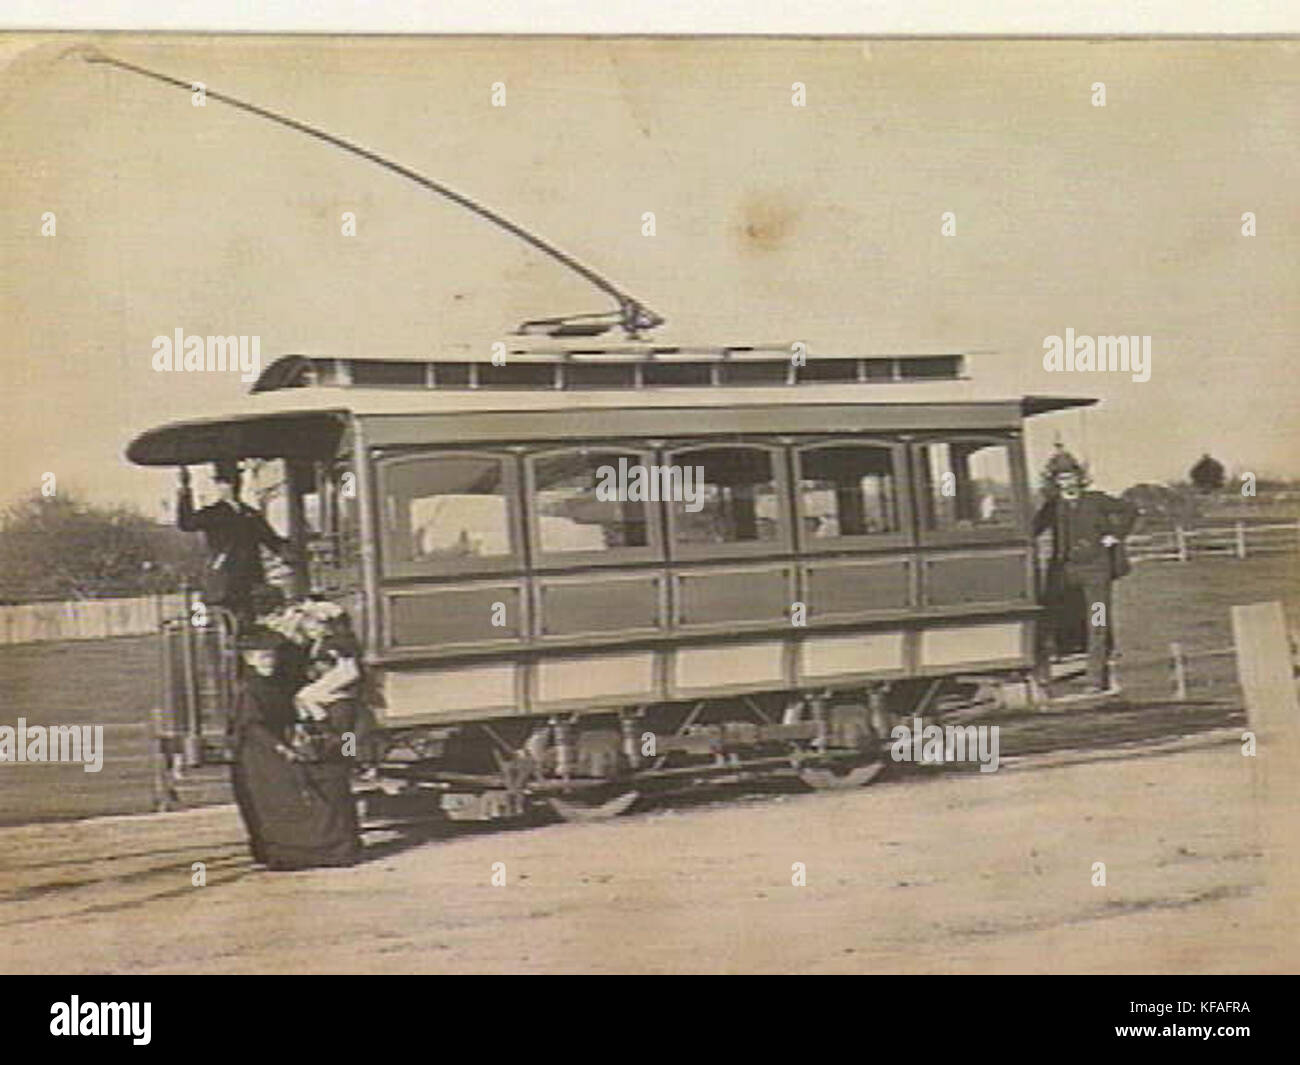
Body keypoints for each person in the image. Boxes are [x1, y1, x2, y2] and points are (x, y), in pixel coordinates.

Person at [229, 617, 360, 871]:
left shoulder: (280, 686)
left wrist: (343, 754)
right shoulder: (254, 689)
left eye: (272, 657)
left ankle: (332, 848)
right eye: (264, 657)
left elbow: (347, 735)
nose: (270, 662)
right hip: (267, 754)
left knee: (324, 790)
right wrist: (287, 747)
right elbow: (255, 725)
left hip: (302, 749)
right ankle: (297, 851)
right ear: (249, 659)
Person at [1033, 460, 1138, 692]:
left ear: (1079, 479)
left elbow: (1130, 510)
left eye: (1070, 477)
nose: (1067, 483)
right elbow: (1033, 528)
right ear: (1056, 482)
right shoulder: (1052, 506)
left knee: (1097, 621)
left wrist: (1116, 535)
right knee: (1051, 618)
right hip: (1065, 573)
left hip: (1096, 571)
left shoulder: (1096, 500)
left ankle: (1095, 679)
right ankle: (1050, 675)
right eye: (1061, 479)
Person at [177, 460, 293, 623]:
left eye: (233, 481)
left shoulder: (251, 515)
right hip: (224, 581)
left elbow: (272, 541)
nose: (230, 486)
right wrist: (184, 490)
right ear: (218, 486)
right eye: (225, 482)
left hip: (251, 581)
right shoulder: (213, 514)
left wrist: (291, 552)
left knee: (250, 624)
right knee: (224, 626)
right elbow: (186, 523)